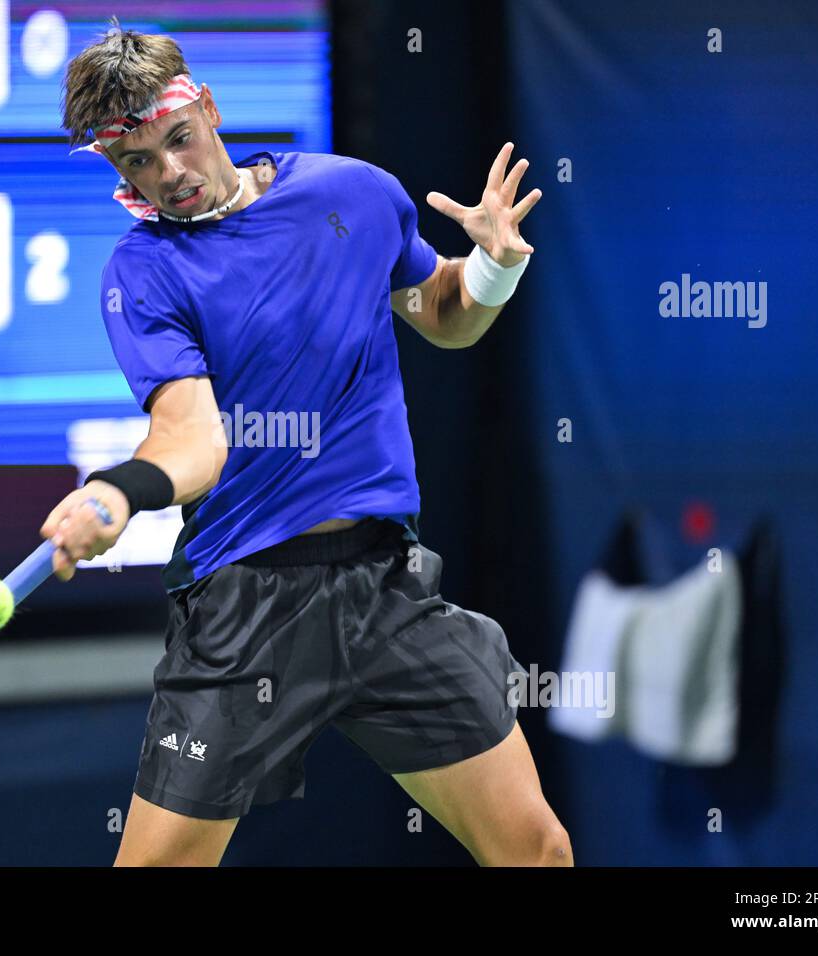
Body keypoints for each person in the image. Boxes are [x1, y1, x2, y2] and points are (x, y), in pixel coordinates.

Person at [43, 18, 571, 867]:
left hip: (385, 589)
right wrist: (118, 493)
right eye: (138, 161)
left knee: (536, 850)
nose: (169, 174)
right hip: (245, 605)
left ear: (208, 108)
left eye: (178, 140)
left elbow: (439, 312)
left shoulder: (353, 194)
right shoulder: (144, 272)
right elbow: (192, 440)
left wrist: (491, 270)